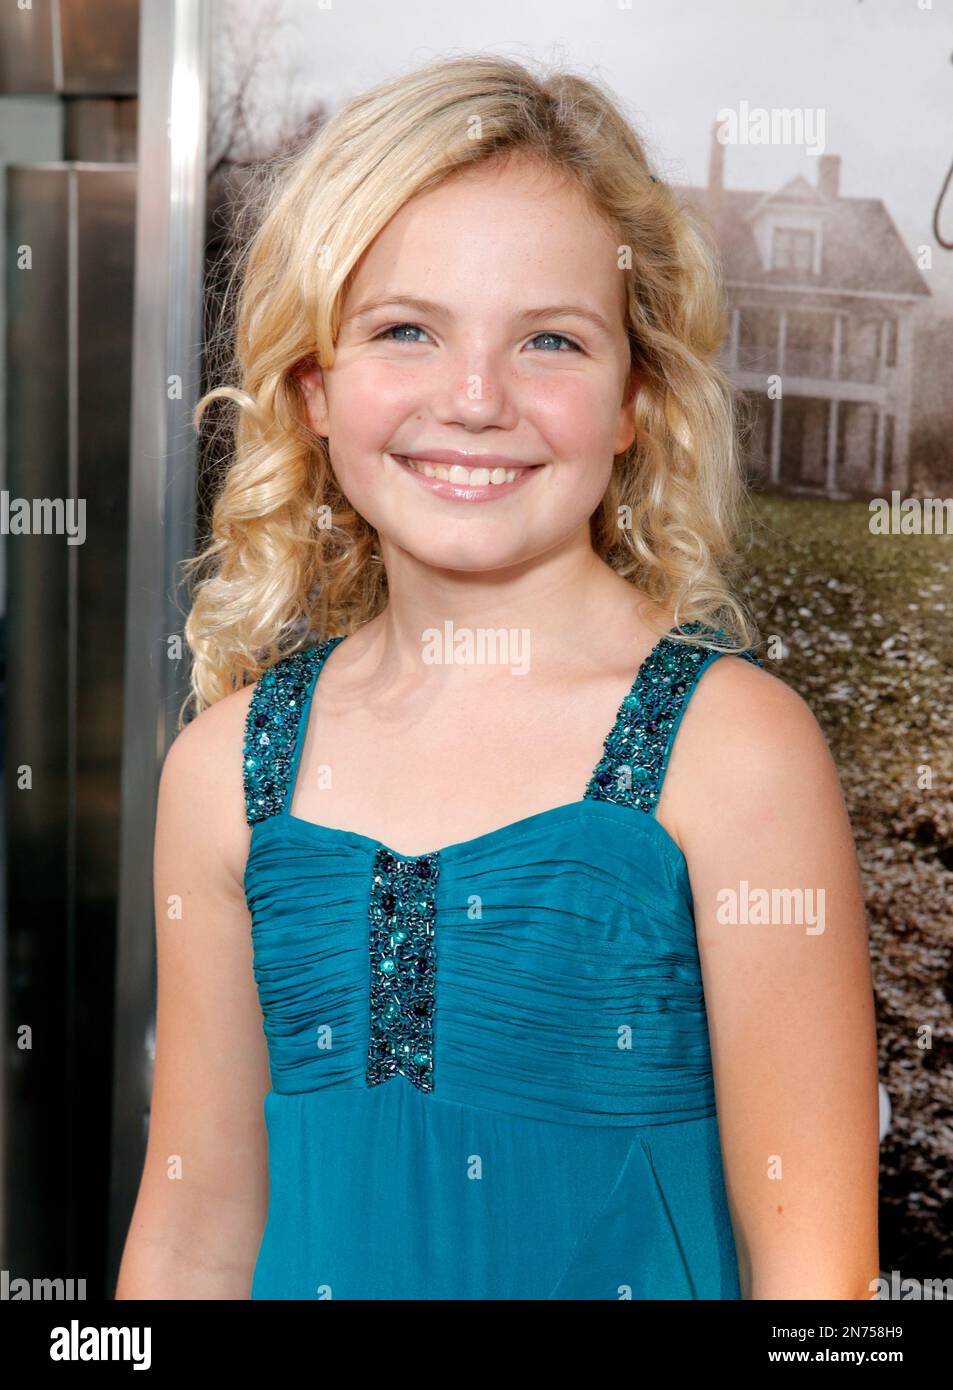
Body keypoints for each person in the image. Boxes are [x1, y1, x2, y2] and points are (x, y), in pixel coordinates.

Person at [116, 54, 880, 1300]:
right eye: (405, 330)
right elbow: (192, 1236)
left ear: (633, 399)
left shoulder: (732, 750)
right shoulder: (223, 770)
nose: (473, 400)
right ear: (314, 387)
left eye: (549, 341)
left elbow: (820, 1278)